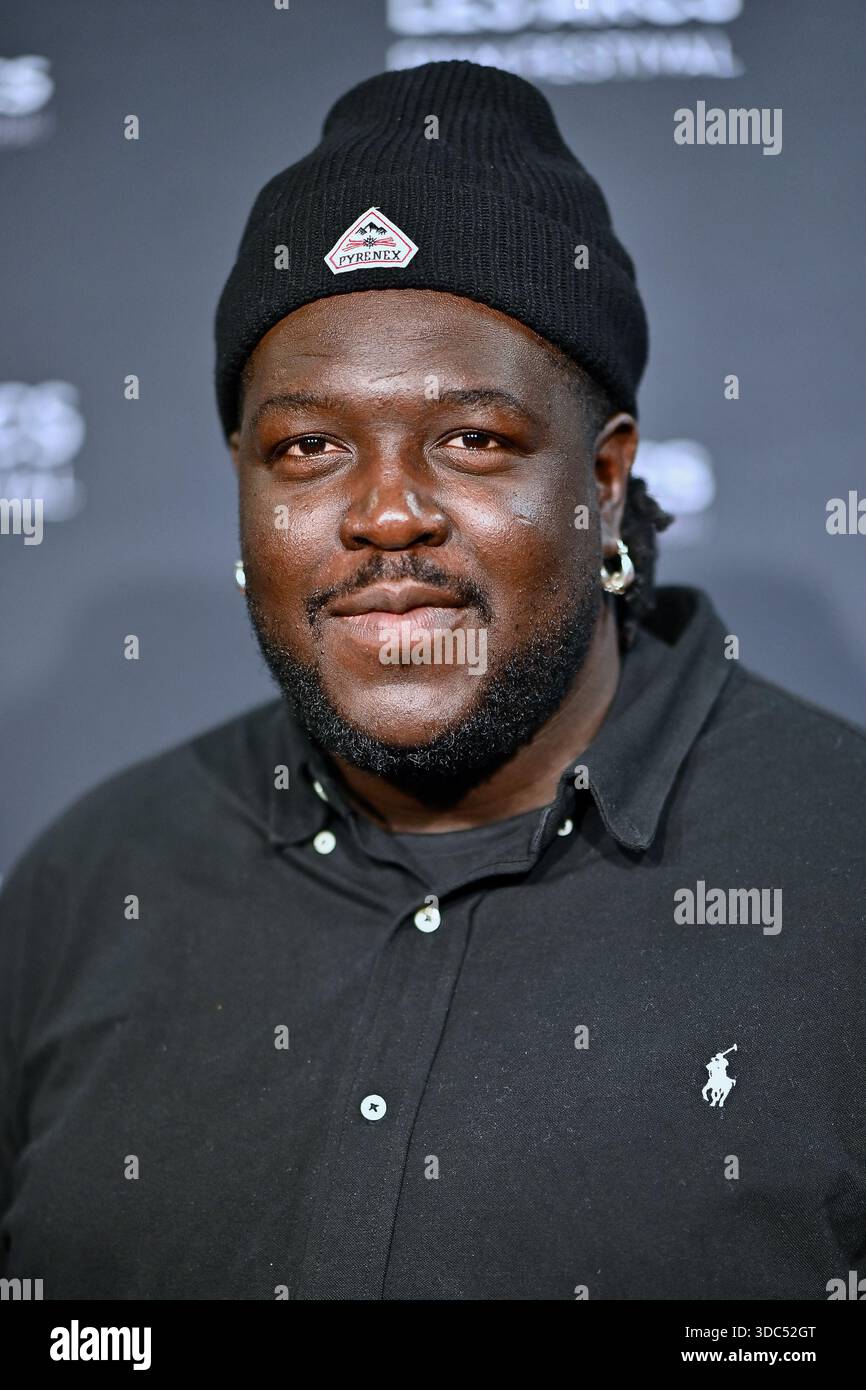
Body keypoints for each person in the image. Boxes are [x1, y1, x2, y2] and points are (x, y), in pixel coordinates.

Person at [1, 60, 863, 1302]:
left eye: (472, 439)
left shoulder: (837, 870)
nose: (387, 513)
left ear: (604, 482)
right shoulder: (91, 886)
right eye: (308, 447)